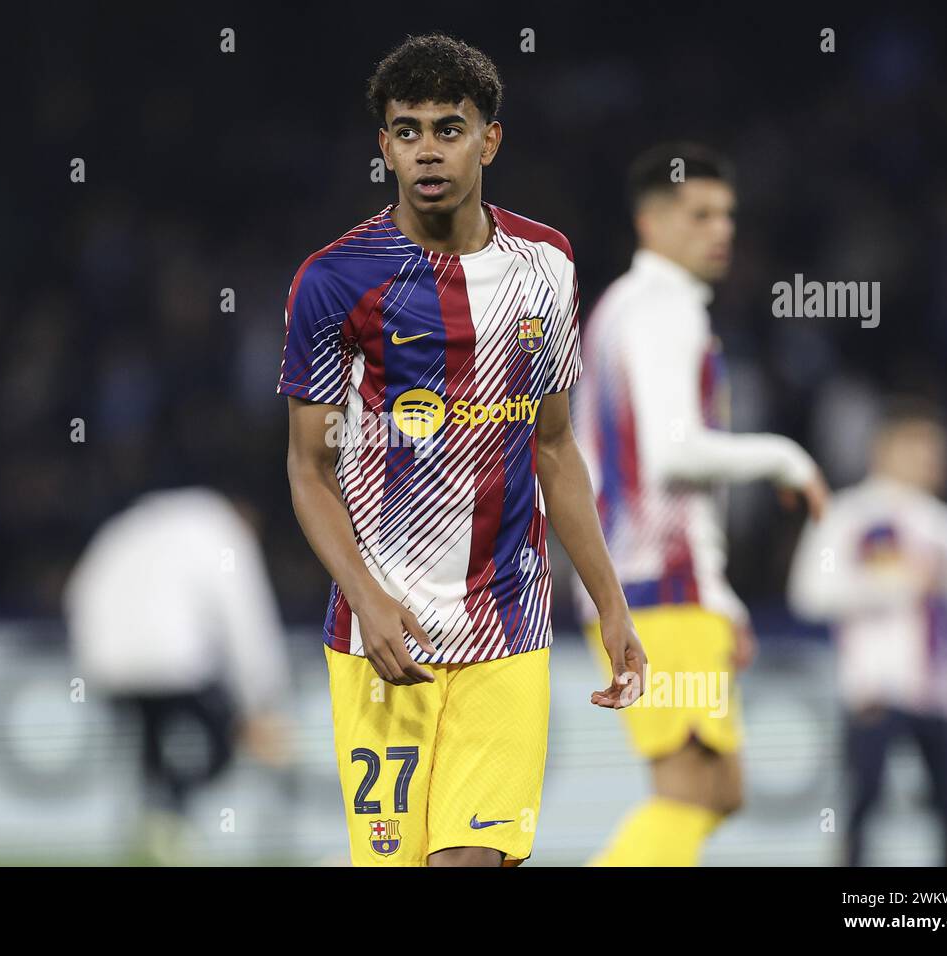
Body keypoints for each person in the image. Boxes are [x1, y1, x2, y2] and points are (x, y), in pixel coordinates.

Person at [279, 33, 644, 868]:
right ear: (384, 147)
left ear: (490, 138)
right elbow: (310, 468)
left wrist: (610, 605)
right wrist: (367, 598)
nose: (428, 149)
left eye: (450, 127)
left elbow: (555, 449)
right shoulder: (336, 280)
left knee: (468, 864)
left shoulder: (546, 265)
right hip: (384, 636)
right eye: (407, 131)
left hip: (508, 625)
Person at [573, 142, 828, 866]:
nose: (721, 230)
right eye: (699, 214)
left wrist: (720, 596)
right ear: (651, 223)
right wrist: (785, 455)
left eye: (726, 215)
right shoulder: (661, 309)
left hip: (664, 581)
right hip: (655, 583)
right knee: (690, 789)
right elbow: (674, 454)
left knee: (719, 787)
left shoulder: (629, 307)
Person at [788, 400, 947, 866]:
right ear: (885, 449)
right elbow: (809, 593)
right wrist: (894, 586)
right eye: (918, 449)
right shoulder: (847, 515)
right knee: (863, 804)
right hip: (873, 691)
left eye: (936, 451)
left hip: (943, 694)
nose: (930, 461)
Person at [63, 486, 292, 864]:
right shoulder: (222, 528)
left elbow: (78, 589)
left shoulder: (133, 522)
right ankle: (171, 821)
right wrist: (262, 704)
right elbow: (246, 618)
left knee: (152, 743)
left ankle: (157, 824)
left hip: (104, 656)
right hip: (173, 658)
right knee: (219, 740)